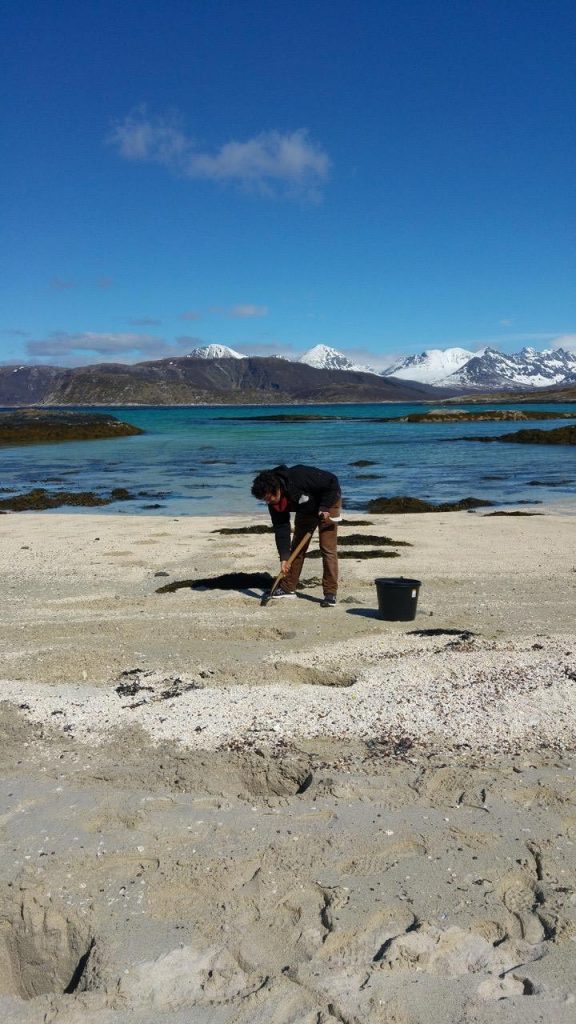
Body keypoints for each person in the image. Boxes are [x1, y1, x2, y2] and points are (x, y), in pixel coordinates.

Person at [251, 463, 342, 607]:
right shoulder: (273, 502)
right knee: (297, 547)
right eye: (265, 500)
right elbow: (281, 528)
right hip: (306, 508)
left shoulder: (299, 476)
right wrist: (284, 557)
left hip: (328, 501)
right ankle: (288, 588)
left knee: (327, 548)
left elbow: (332, 481)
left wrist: (324, 507)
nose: (268, 502)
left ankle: (330, 593)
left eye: (269, 498)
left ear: (277, 488)